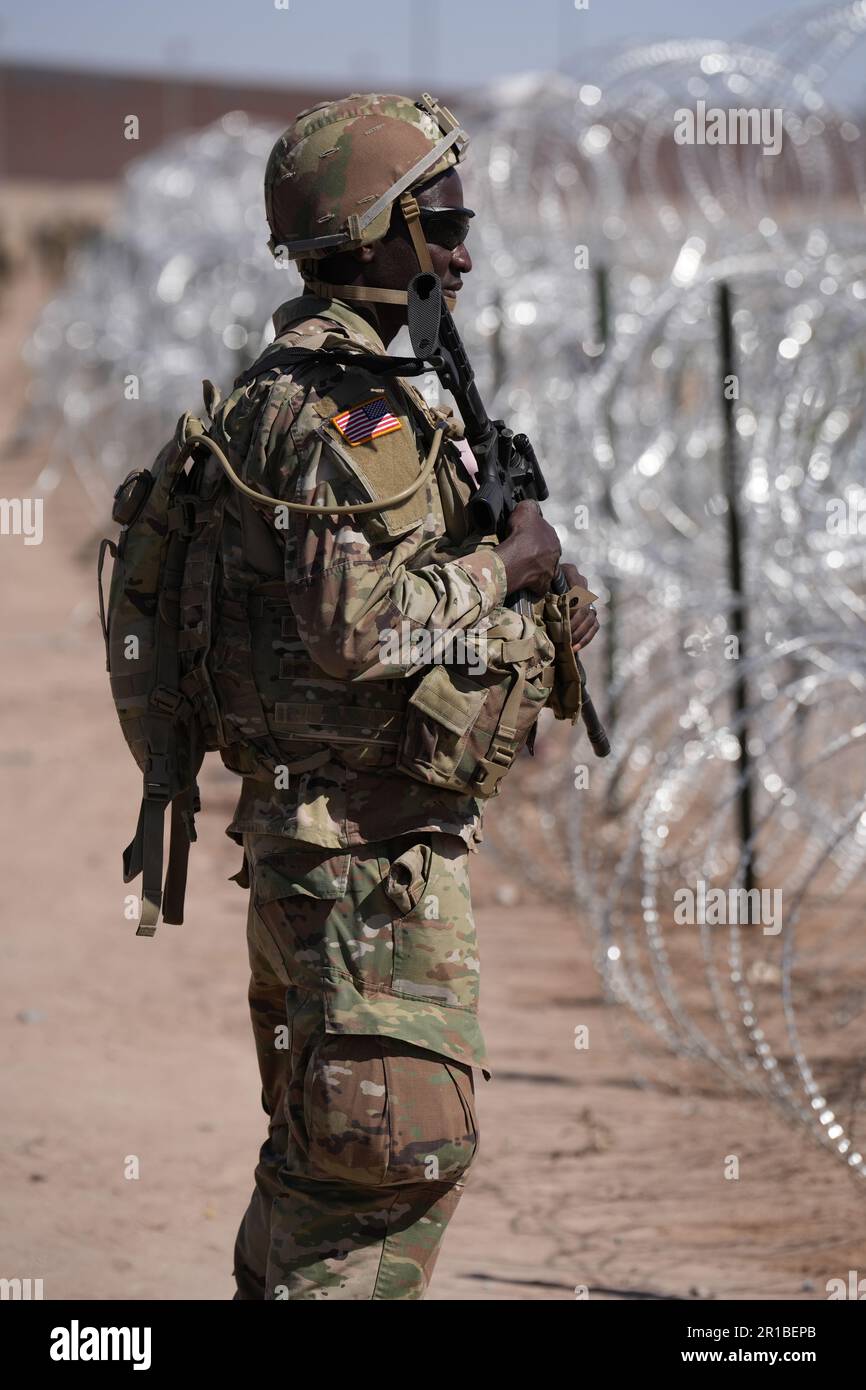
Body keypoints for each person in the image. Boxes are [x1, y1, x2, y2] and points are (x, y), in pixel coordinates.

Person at [215, 91, 599, 1300]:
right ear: (373, 228)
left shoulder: (297, 390)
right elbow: (354, 628)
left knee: (324, 1168)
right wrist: (512, 564)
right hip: (361, 865)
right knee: (385, 1175)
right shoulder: (344, 412)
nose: (461, 251)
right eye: (442, 222)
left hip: (319, 851)